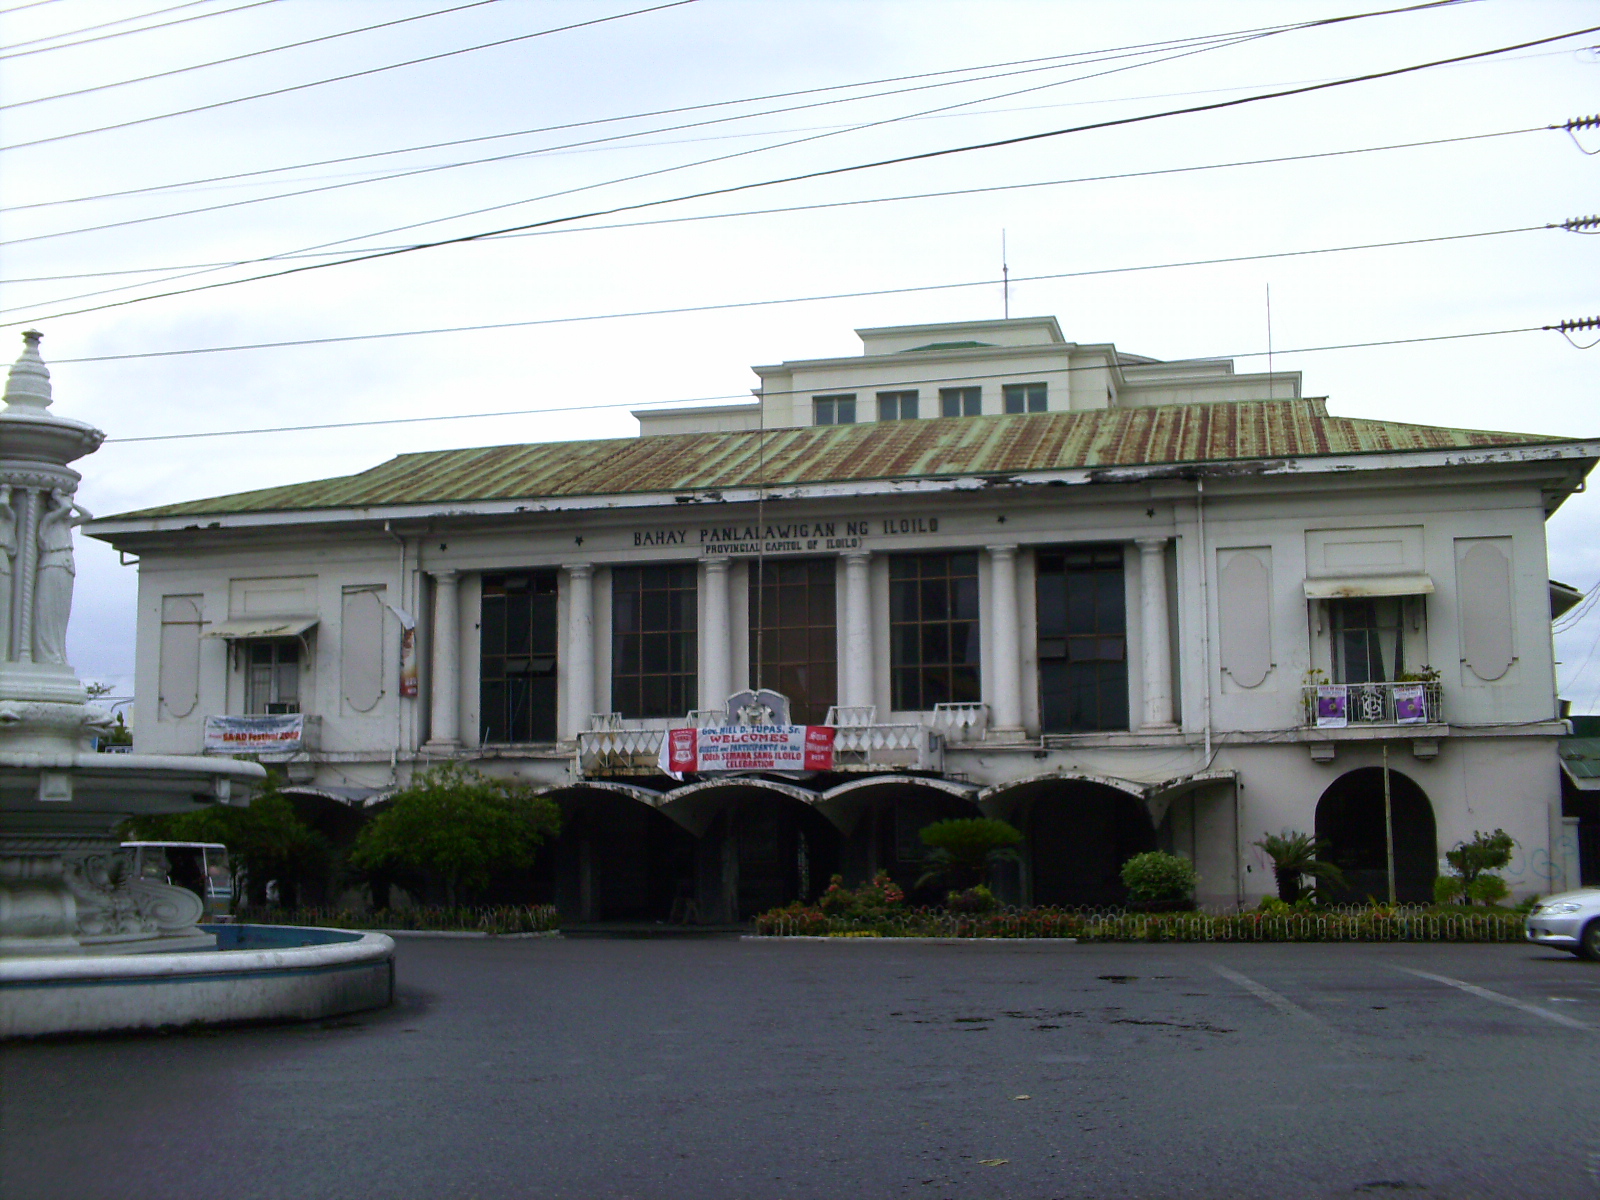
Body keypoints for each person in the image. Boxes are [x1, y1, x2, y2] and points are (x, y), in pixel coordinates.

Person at [32, 487, 90, 666]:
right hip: (52, 562)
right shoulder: (48, 520)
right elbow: (64, 509)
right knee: (47, 610)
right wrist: (60, 497)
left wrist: (71, 502)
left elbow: (88, 516)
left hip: (65, 563)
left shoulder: (65, 523)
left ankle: (58, 653)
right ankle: (47, 654)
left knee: (60, 611)